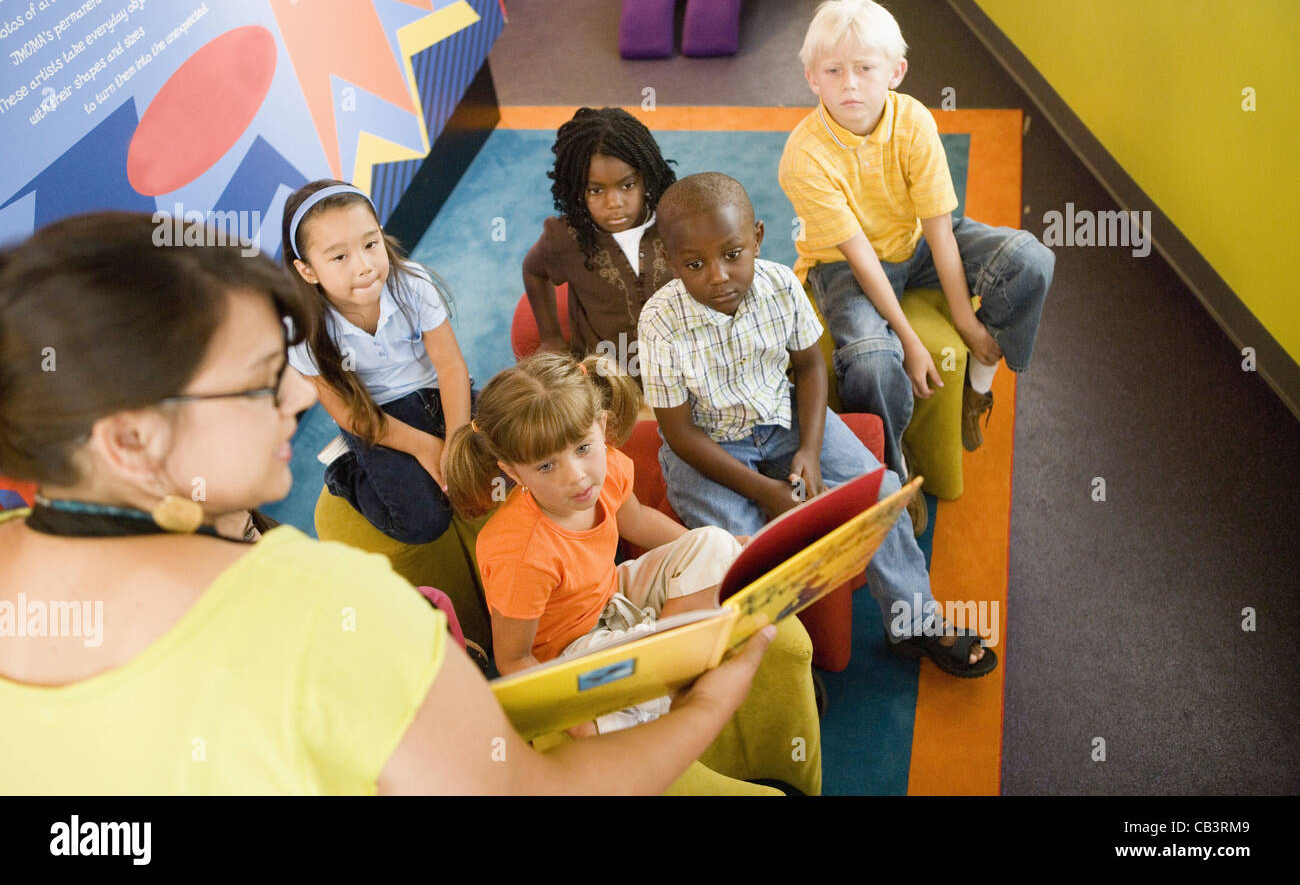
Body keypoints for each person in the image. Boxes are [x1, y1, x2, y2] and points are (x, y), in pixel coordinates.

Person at [0, 211, 775, 795]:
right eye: (257, 381)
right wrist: (708, 705)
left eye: (286, 370)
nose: (296, 405)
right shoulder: (328, 602)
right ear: (130, 442)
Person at [637, 173, 996, 677]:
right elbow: (678, 433)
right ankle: (782, 658)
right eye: (694, 264)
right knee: (738, 549)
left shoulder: (782, 285)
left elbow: (807, 369)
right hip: (704, 446)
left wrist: (808, 448)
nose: (717, 275)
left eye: (733, 254)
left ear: (757, 238)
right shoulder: (658, 322)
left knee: (881, 490)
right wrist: (765, 492)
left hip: (783, 417)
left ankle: (913, 621)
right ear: (670, 262)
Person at [778, 0, 1054, 491]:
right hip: (844, 265)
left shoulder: (914, 122)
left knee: (1030, 260)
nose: (850, 83)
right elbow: (861, 258)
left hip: (918, 243)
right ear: (812, 79)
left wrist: (968, 324)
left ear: (895, 72)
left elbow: (938, 228)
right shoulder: (803, 157)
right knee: (870, 359)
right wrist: (908, 339)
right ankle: (890, 469)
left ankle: (978, 386)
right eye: (834, 71)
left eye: (865, 68)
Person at [444, 352, 757, 734]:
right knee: (607, 702)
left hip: (615, 596)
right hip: (572, 651)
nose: (576, 477)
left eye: (582, 448)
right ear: (511, 471)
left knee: (716, 542)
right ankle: (668, 667)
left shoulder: (608, 469)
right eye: (546, 466)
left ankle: (664, 665)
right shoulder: (520, 553)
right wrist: (574, 718)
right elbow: (514, 659)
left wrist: (714, 552)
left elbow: (638, 522)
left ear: (602, 427)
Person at [282, 180, 473, 545]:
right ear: (307, 271)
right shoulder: (304, 330)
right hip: (375, 419)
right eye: (340, 257)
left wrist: (457, 438)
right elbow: (350, 415)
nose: (365, 266)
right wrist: (426, 447)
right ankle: (347, 470)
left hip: (435, 398)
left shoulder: (414, 284)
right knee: (422, 524)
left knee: (507, 469)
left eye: (370, 245)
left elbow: (450, 366)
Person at [521, 107, 677, 372]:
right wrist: (551, 338)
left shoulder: (677, 221)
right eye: (596, 190)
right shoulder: (564, 239)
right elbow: (533, 270)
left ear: (646, 176)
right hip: (606, 374)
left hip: (679, 366)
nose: (614, 203)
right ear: (577, 188)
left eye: (627, 185)